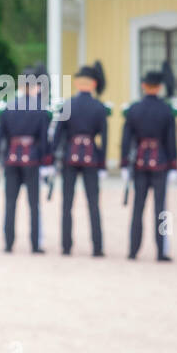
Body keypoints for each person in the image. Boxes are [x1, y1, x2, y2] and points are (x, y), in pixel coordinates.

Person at [0, 65, 52, 254]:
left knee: (10, 203)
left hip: (12, 157)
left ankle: (8, 243)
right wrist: (45, 161)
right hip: (32, 159)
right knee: (34, 204)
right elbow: (43, 139)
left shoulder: (8, 107)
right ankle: (35, 244)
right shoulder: (41, 109)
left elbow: (0, 136)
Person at [53, 61, 109, 257]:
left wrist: (54, 159)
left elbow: (58, 134)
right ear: (93, 84)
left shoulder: (67, 104)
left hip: (70, 156)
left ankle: (66, 245)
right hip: (91, 156)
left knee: (67, 204)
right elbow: (104, 137)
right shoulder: (99, 107)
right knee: (93, 203)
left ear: (77, 83)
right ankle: (97, 246)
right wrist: (102, 163)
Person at [121, 70, 177, 261]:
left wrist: (123, 163)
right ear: (159, 87)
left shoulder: (134, 109)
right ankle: (162, 250)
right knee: (162, 209)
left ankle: (133, 249)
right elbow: (171, 140)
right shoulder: (166, 109)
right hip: (160, 160)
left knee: (138, 207)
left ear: (144, 85)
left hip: (139, 161)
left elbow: (126, 138)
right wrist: (173, 165)